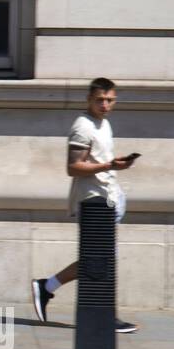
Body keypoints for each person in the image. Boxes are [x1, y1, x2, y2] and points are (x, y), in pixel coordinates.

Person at [31, 77, 140, 333]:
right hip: (93, 203)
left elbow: (99, 160)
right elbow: (73, 167)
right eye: (100, 100)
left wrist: (116, 163)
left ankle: (47, 287)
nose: (105, 105)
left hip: (107, 199)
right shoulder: (83, 127)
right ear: (89, 99)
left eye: (110, 100)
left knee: (99, 261)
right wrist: (110, 166)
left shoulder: (103, 123)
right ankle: (101, 315)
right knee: (100, 261)